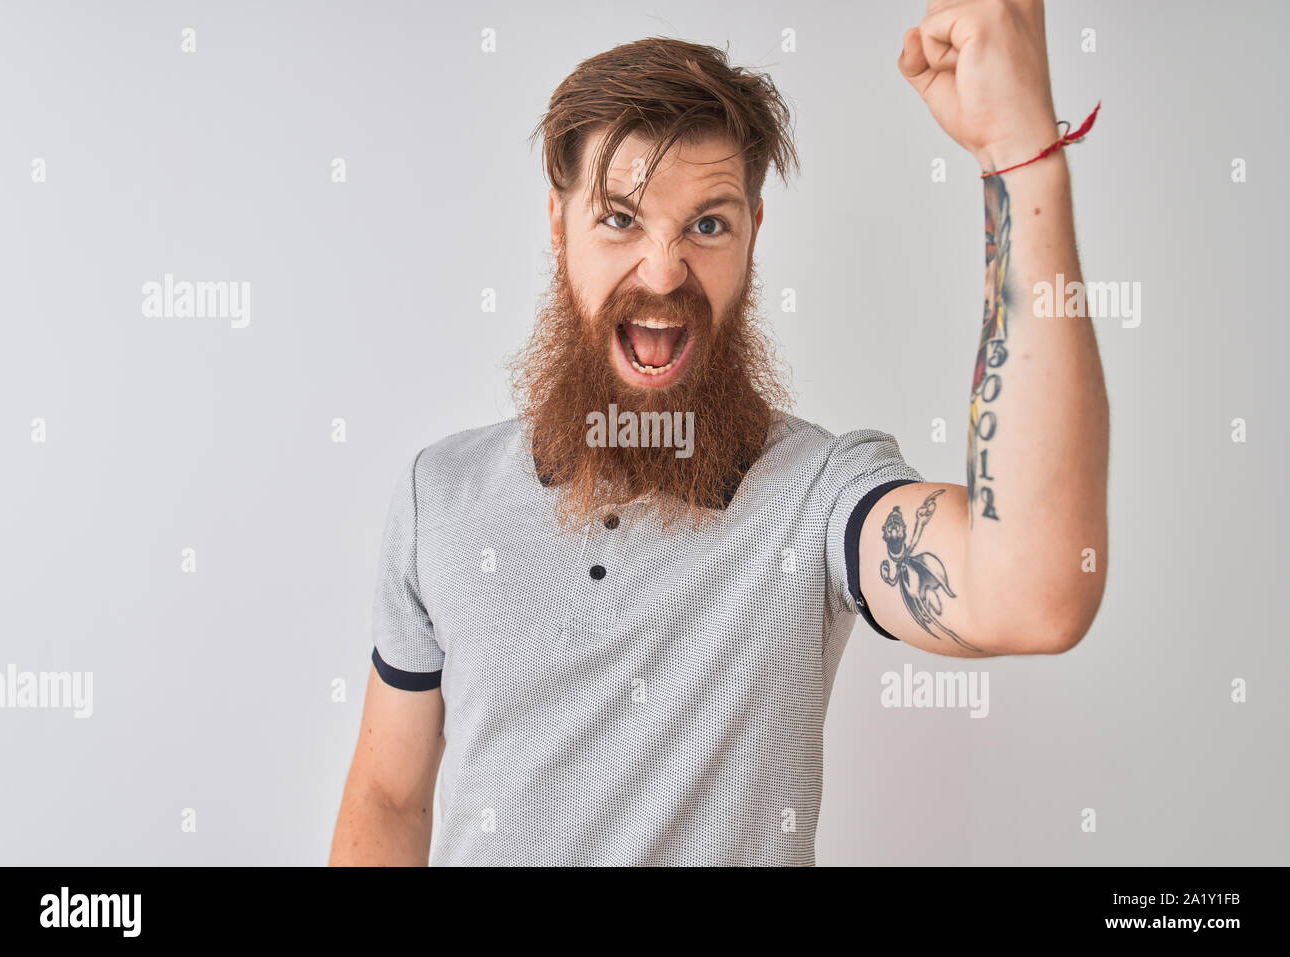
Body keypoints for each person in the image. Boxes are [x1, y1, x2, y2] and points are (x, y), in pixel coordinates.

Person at [330, 0, 1109, 866]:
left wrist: (1021, 157)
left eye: (708, 223)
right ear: (559, 227)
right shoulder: (440, 495)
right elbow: (390, 798)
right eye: (619, 218)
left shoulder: (821, 496)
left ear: (752, 237)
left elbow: (1035, 593)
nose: (664, 270)